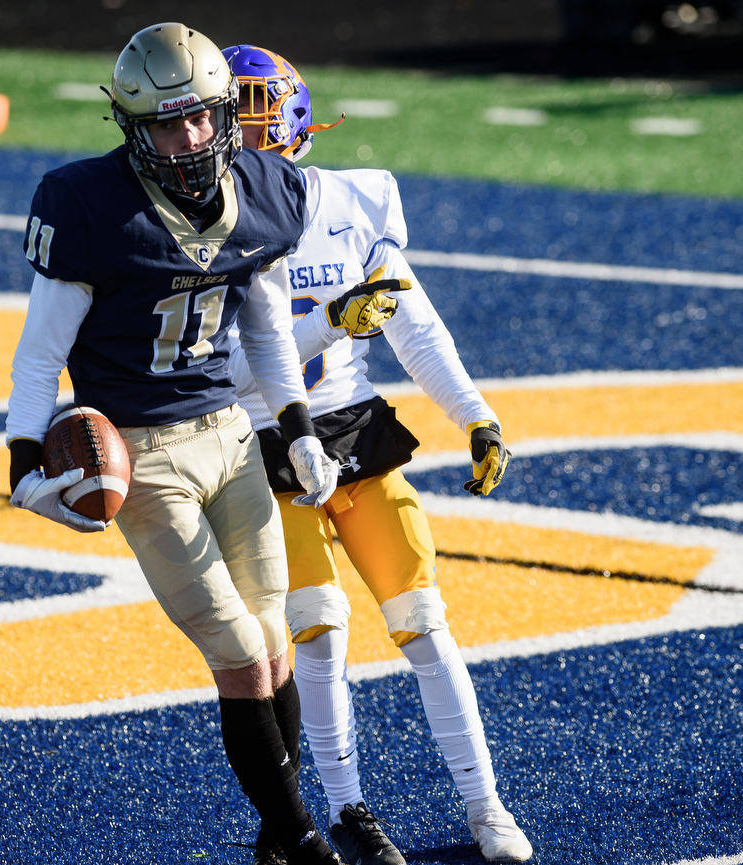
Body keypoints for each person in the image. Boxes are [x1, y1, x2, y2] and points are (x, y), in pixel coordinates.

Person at [4, 24, 350, 865]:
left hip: (229, 437)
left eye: (200, 116)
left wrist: (297, 428)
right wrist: (22, 460)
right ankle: (301, 838)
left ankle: (277, 833)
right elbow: (42, 350)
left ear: (224, 110)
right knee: (234, 650)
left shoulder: (265, 188)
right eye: (165, 122)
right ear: (133, 127)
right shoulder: (92, 206)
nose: (188, 137)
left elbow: (267, 328)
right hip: (142, 450)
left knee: (273, 639)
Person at [222, 45, 534, 865]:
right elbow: (233, 364)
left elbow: (412, 322)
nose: (250, 125)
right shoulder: (210, 223)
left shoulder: (355, 200)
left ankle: (483, 800)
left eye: (261, 106)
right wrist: (331, 319)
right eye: (236, 109)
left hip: (354, 432)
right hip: (264, 441)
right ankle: (350, 811)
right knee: (317, 632)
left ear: (293, 114)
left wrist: (476, 413)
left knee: (424, 621)